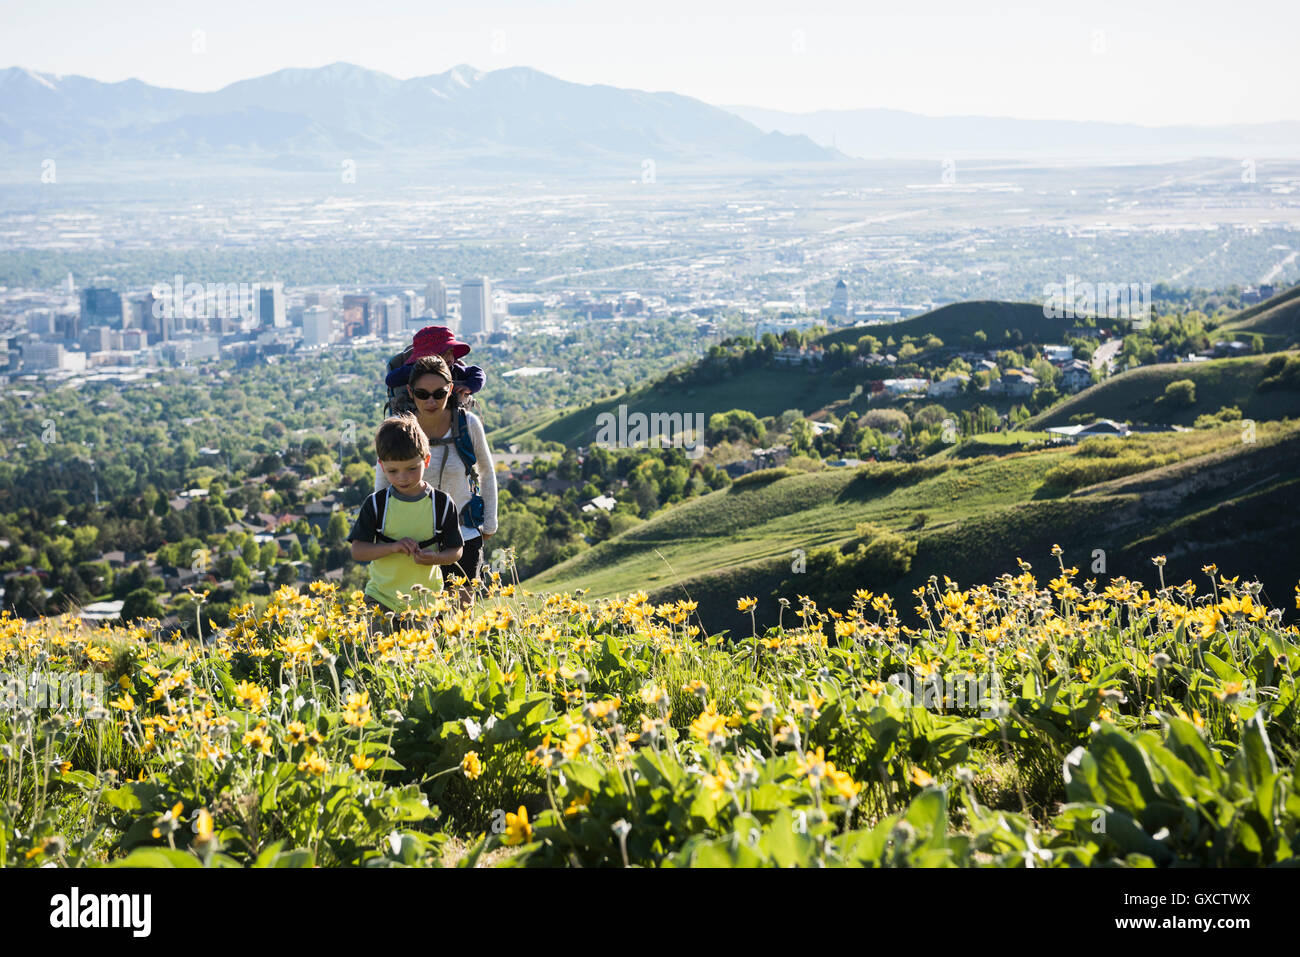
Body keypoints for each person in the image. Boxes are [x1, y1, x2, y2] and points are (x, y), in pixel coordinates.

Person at [374, 354, 498, 605]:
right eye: (422, 393)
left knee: (459, 622)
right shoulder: (398, 430)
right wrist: (384, 537)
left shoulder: (467, 424)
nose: (430, 400)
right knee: (420, 619)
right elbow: (383, 484)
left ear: (450, 389)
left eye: (439, 394)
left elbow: (486, 471)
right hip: (414, 543)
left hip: (464, 536)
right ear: (410, 392)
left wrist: (489, 526)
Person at [350, 414, 463, 631]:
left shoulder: (441, 503)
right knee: (378, 659)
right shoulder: (376, 504)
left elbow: (456, 551)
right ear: (382, 466)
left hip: (424, 603)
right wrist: (393, 547)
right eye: (393, 471)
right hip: (380, 597)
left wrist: (435, 558)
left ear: (426, 460)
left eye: (412, 468)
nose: (403, 477)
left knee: (418, 663)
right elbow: (358, 551)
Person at [385, 326, 485, 416]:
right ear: (425, 356)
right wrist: (421, 369)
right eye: (442, 353)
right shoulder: (414, 369)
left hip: (452, 422)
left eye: (450, 351)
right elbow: (390, 379)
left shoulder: (453, 369)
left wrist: (470, 386)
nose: (449, 357)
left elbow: (478, 372)